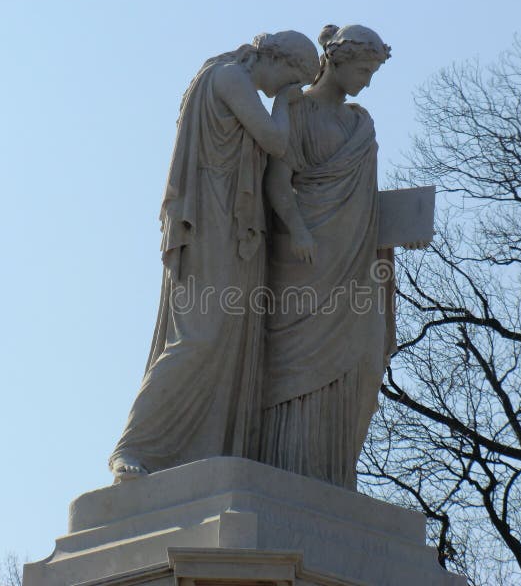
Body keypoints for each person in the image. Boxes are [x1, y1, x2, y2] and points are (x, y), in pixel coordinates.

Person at [109, 31, 319, 482]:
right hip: (211, 219)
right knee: (198, 336)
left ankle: (202, 448)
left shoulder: (231, 77)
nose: (290, 88)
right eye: (292, 78)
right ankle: (134, 446)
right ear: (278, 60)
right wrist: (284, 102)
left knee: (229, 337)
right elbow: (274, 140)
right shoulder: (229, 77)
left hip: (235, 223)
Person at [260, 25, 394, 490]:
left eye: (373, 72)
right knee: (299, 367)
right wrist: (298, 230)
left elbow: (368, 201)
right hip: (305, 259)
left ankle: (336, 475)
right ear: (337, 61)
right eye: (363, 69)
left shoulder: (362, 124)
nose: (367, 81)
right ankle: (292, 473)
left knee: (366, 359)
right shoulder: (295, 109)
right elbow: (278, 180)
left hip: (355, 259)